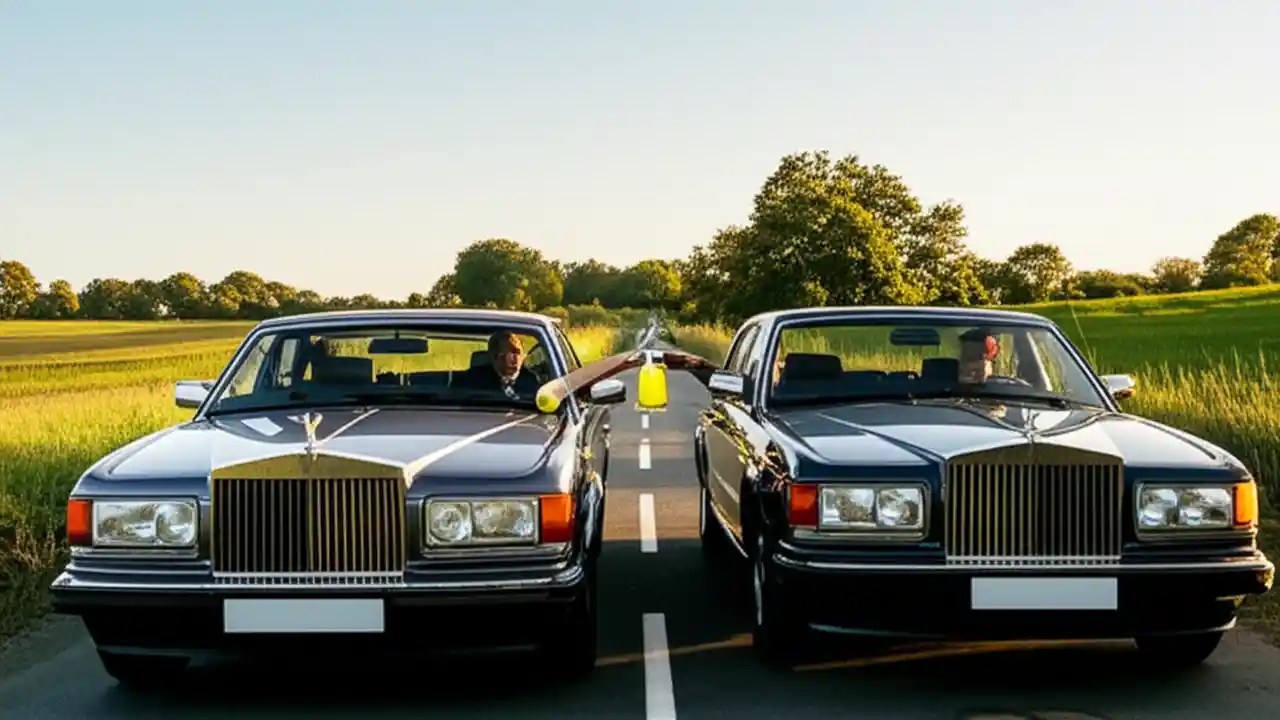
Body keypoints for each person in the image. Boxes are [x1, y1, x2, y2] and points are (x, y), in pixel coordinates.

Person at [452, 330, 542, 397]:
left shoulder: (531, 381)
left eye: (517, 353)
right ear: (494, 357)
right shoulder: (473, 380)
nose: (514, 359)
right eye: (505, 353)